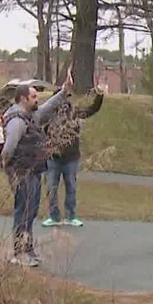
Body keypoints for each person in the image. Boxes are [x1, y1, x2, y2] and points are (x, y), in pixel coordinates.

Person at [0, 72, 73, 267]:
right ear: (23, 99)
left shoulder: (30, 116)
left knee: (30, 213)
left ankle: (28, 249)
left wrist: (64, 91)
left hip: (33, 172)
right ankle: (19, 253)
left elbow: (48, 107)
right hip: (22, 173)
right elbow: (8, 148)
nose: (37, 99)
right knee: (23, 213)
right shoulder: (17, 120)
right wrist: (9, 169)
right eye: (33, 97)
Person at [42, 86, 103, 227]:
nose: (65, 101)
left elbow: (92, 109)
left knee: (71, 187)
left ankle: (70, 216)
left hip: (71, 158)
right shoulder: (49, 115)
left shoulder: (74, 113)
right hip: (53, 158)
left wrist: (99, 96)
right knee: (51, 188)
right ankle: (54, 216)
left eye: (67, 97)